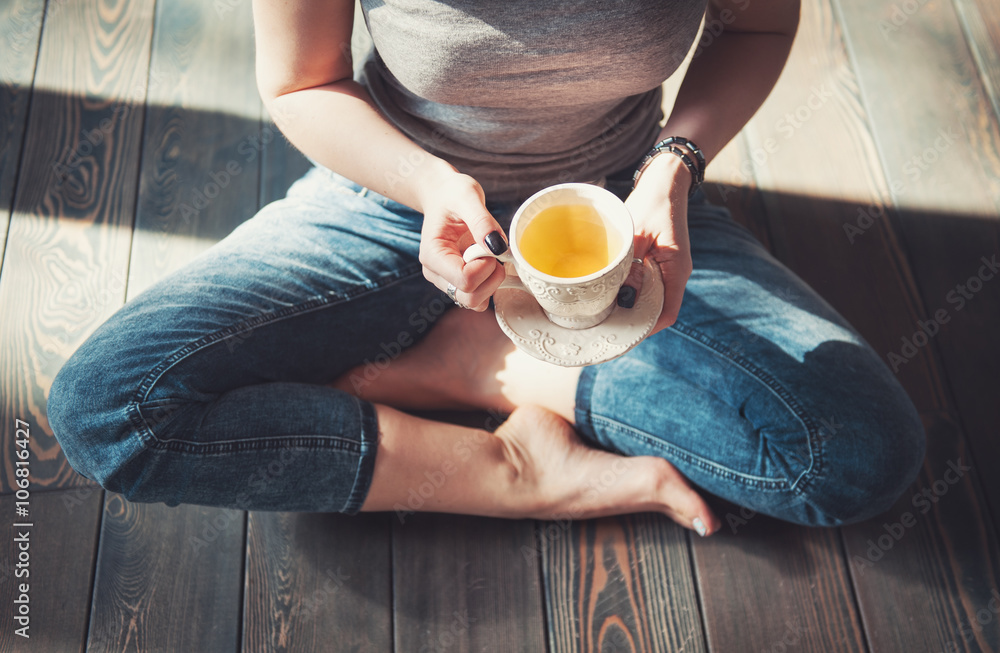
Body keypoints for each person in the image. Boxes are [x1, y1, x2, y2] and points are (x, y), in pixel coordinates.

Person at [48, 0, 925, 537]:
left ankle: (485, 358)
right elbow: (299, 82)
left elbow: (760, 22)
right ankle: (514, 464)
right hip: (393, 202)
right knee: (107, 408)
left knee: (855, 455)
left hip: (625, 203)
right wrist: (427, 183)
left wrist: (675, 166)